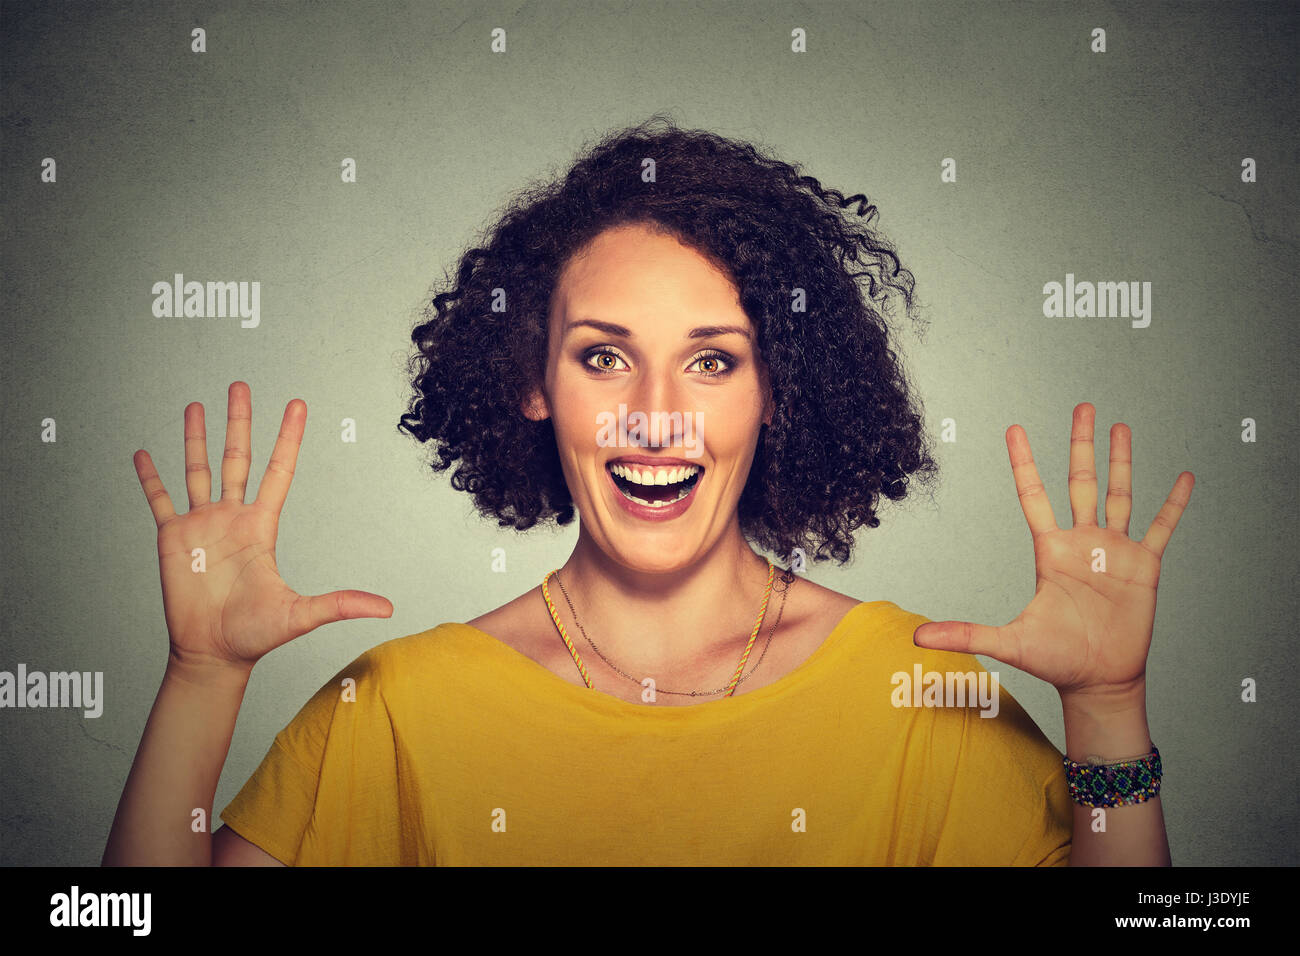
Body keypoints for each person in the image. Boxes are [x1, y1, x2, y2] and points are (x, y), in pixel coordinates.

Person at [103, 116, 1193, 866]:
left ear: (778, 393)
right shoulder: (397, 708)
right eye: (603, 356)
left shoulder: (917, 697)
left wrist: (1105, 717)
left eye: (712, 359)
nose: (657, 413)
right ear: (533, 383)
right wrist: (201, 680)